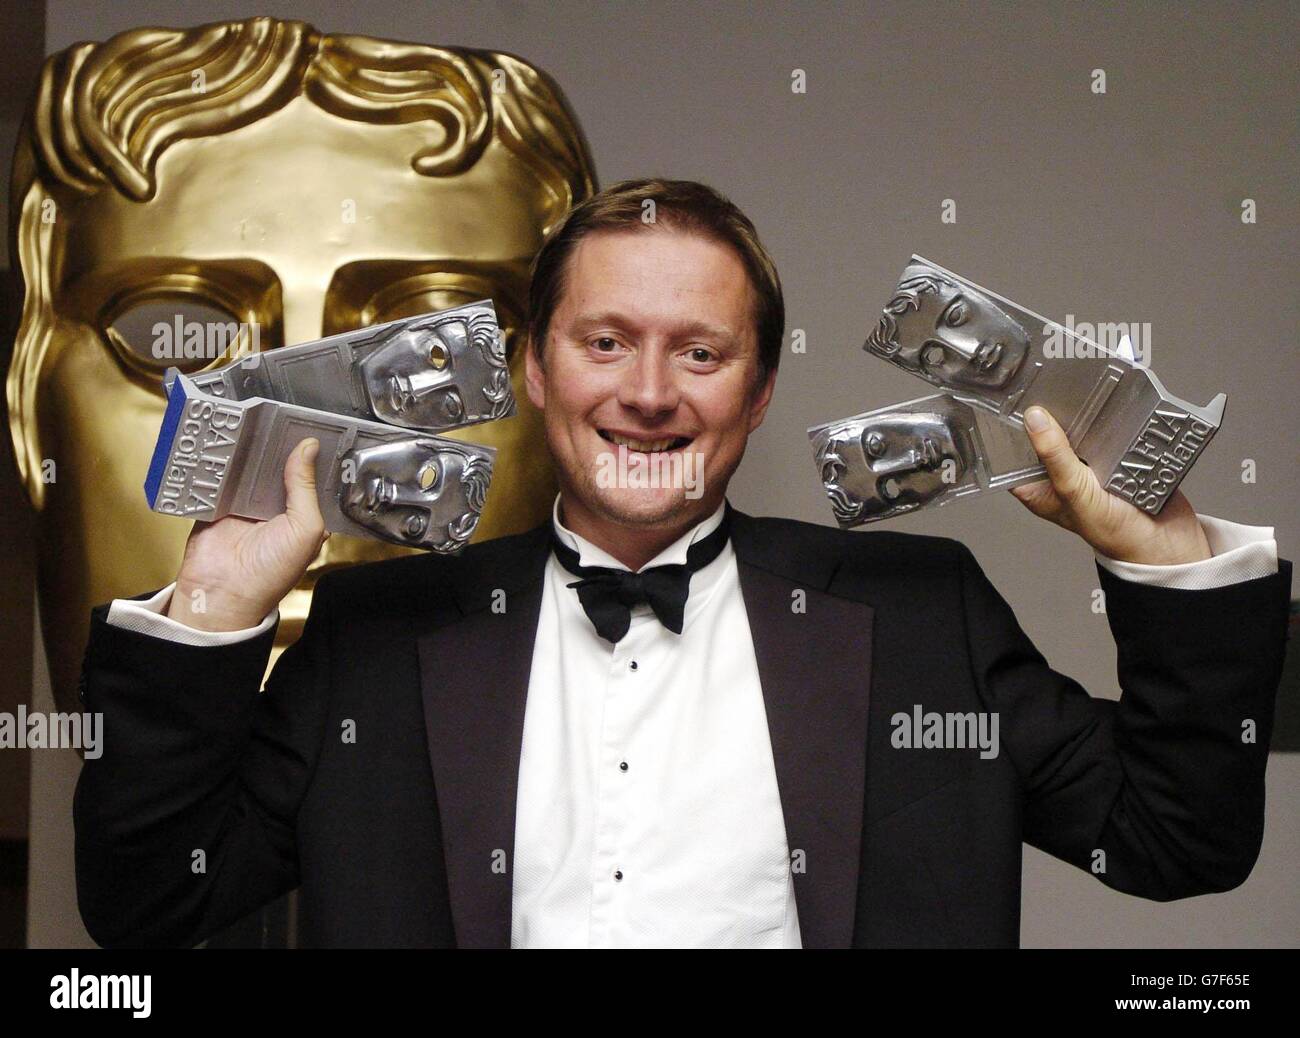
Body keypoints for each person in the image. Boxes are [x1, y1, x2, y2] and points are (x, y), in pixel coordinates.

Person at [75, 179, 1290, 948]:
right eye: (605, 342)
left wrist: (1167, 560)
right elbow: (149, 908)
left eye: (700, 354)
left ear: (758, 395)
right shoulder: (371, 634)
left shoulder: (924, 617)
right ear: (538, 371)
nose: (647, 395)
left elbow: (1172, 843)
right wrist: (215, 610)